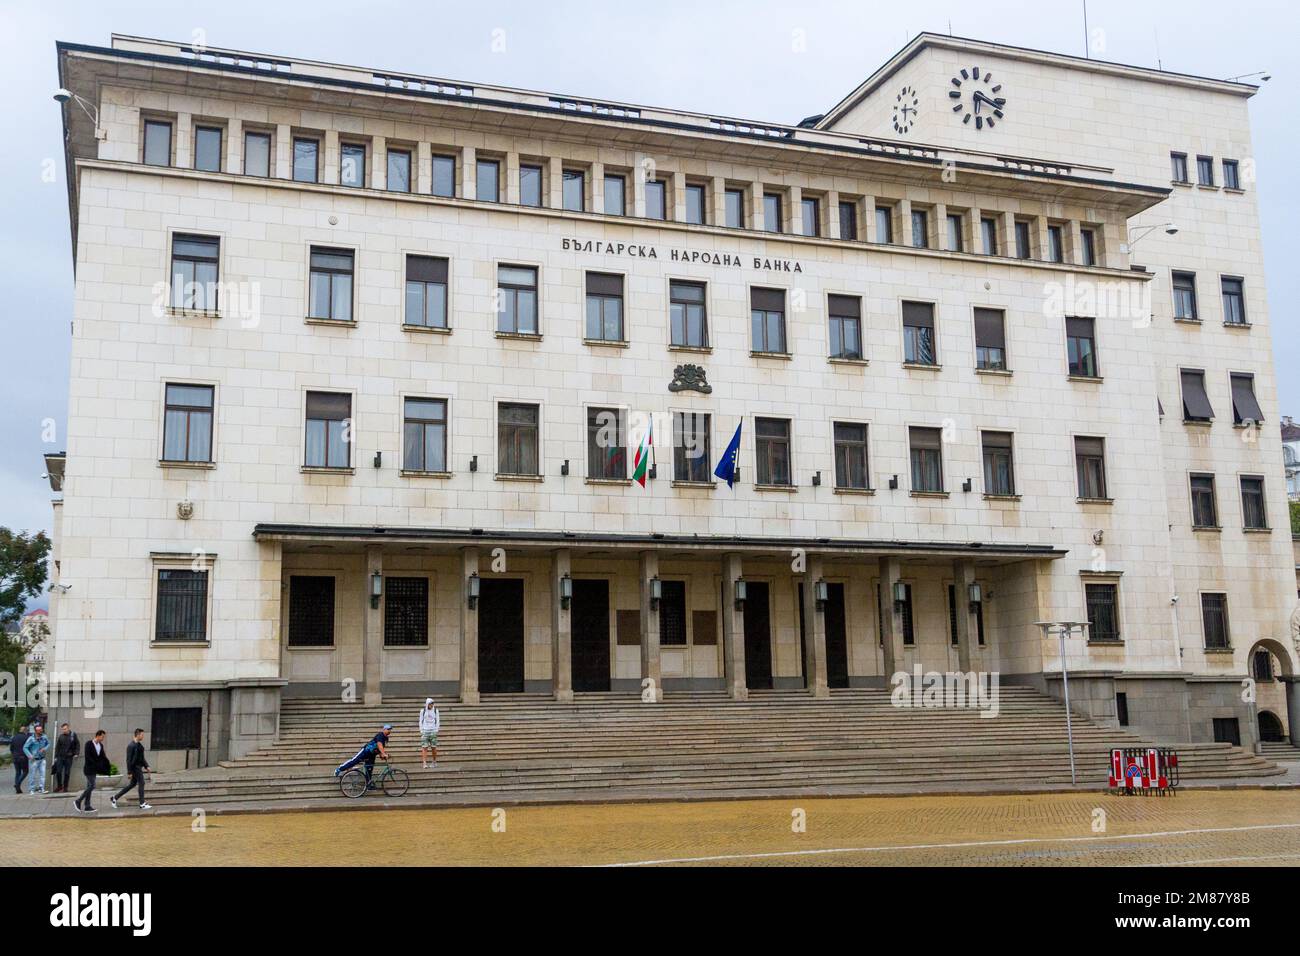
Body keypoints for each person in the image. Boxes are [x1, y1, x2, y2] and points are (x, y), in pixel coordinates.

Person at [334, 724, 392, 788]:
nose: (389, 731)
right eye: (388, 729)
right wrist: (384, 753)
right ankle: (339, 769)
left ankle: (368, 785)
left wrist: (383, 756)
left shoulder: (385, 738)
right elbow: (379, 745)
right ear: (383, 729)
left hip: (372, 755)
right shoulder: (380, 735)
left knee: (369, 769)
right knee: (354, 761)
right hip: (365, 751)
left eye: (390, 729)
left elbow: (380, 750)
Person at [110, 728, 152, 810]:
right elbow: (128, 760)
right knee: (142, 783)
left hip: (138, 767)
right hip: (134, 768)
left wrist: (147, 766)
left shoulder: (140, 746)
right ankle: (142, 804)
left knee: (132, 784)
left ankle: (114, 798)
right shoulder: (131, 746)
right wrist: (129, 772)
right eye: (142, 735)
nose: (143, 736)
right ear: (138, 735)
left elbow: (142, 758)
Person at [74, 730, 111, 814]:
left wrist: (107, 765)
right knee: (92, 786)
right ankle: (78, 801)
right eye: (102, 736)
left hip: (94, 769)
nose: (103, 738)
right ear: (97, 736)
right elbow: (88, 757)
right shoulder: (88, 744)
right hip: (88, 769)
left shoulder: (100, 745)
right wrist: (97, 764)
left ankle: (87, 806)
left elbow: (102, 756)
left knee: (89, 787)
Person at [23, 725, 50, 794]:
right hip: (34, 760)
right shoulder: (31, 739)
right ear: (36, 731)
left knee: (43, 775)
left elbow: (49, 743)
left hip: (42, 759)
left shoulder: (44, 737)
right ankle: (31, 789)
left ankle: (41, 788)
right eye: (39, 730)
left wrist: (45, 748)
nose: (41, 731)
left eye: (41, 729)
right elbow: (25, 747)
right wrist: (29, 755)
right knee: (32, 775)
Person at [52, 723, 79, 793]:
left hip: (69, 757)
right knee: (58, 772)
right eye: (62, 729)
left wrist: (76, 753)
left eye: (65, 729)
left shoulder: (73, 735)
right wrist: (56, 757)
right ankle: (59, 786)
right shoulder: (61, 736)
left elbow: (77, 745)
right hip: (60, 757)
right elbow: (57, 747)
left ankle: (65, 787)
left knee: (67, 773)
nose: (63, 730)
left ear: (68, 728)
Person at [418, 698, 440, 769]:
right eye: (430, 703)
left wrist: (436, 730)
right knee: (424, 748)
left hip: (433, 731)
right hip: (425, 731)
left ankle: (434, 762)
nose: (431, 705)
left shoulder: (436, 711)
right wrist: (421, 730)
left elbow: (438, 720)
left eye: (432, 703)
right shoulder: (423, 711)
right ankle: (424, 763)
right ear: (427, 704)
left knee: (434, 747)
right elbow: (420, 721)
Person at [9, 724, 29, 794]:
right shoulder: (26, 738)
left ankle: (18, 789)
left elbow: (11, 748)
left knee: (18, 772)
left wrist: (13, 755)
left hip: (15, 757)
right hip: (23, 757)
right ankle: (17, 784)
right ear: (25, 731)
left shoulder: (14, 737)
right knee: (25, 772)